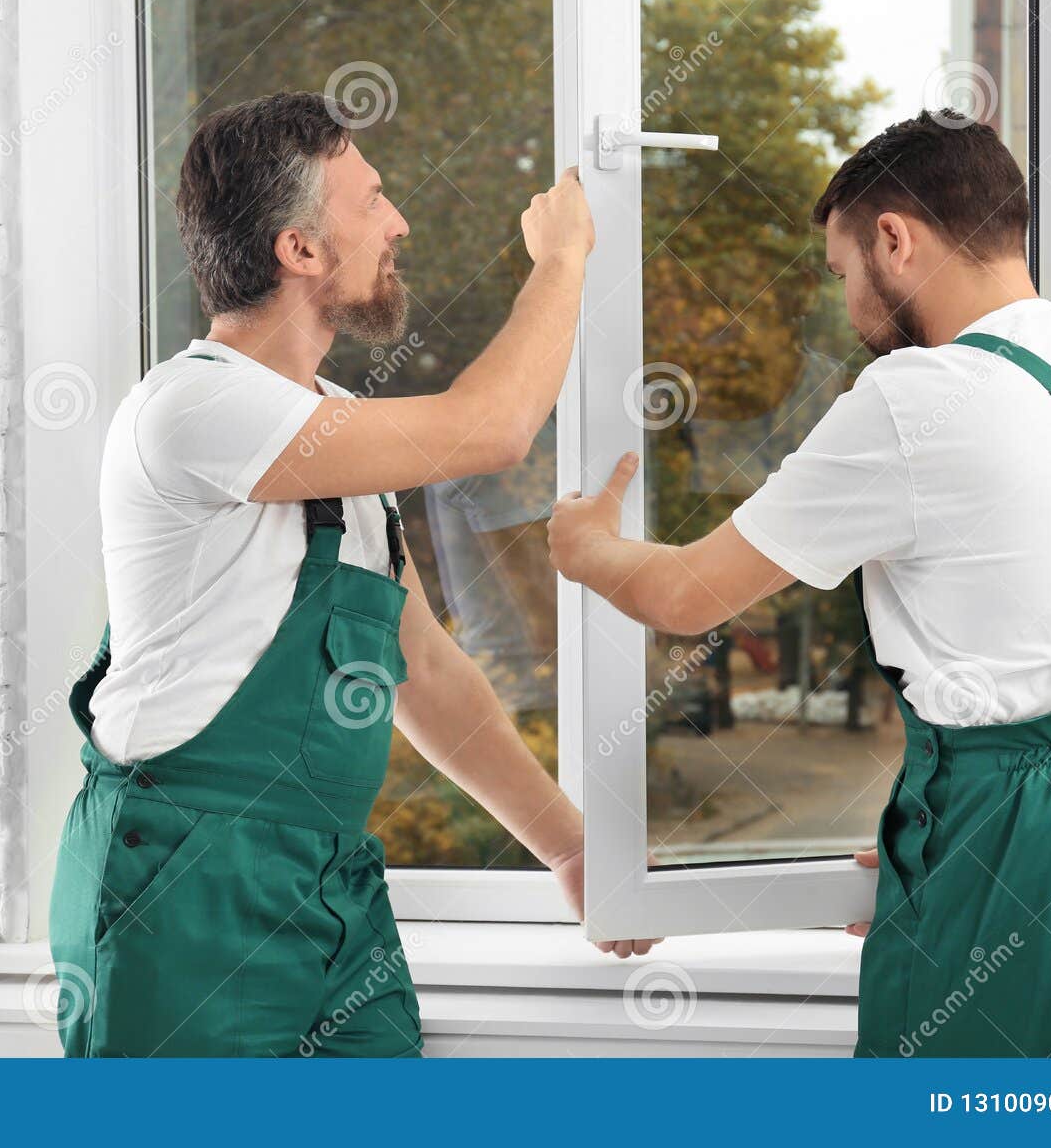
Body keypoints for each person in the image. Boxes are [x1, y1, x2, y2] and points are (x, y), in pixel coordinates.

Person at [546, 109, 1051, 1057]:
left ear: (894, 239)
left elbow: (684, 596)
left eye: (841, 274)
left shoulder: (918, 396)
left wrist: (584, 547)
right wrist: (949, 834)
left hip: (1025, 852)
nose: (847, 305)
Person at [48, 90, 655, 1060]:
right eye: (370, 200)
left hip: (329, 886)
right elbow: (488, 428)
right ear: (300, 250)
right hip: (186, 882)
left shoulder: (334, 429)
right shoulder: (193, 407)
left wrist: (571, 847)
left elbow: (422, 665)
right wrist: (562, 259)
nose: (397, 222)